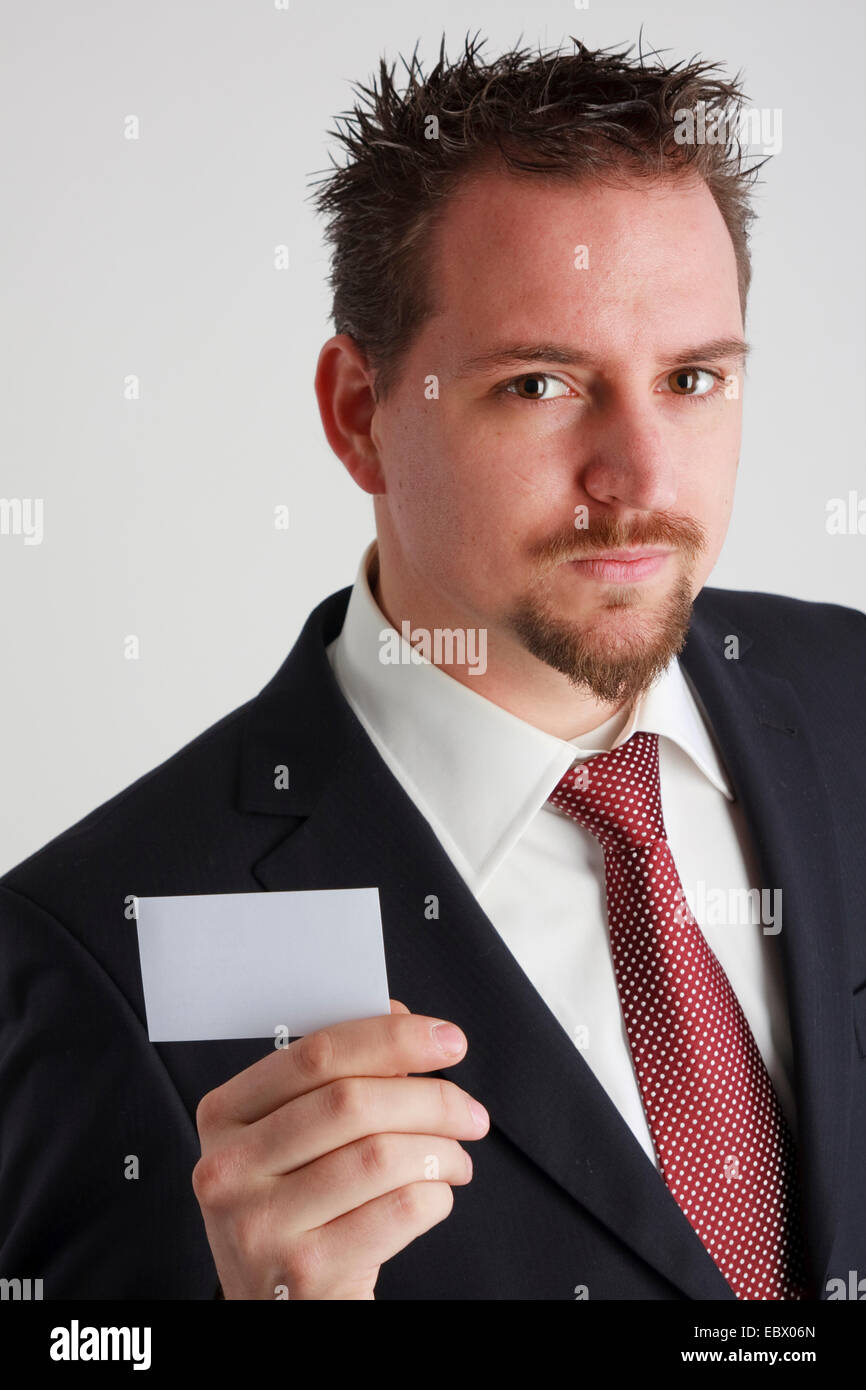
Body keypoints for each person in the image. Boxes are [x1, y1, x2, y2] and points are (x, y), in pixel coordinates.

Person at [1, 33, 864, 1302]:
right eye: (539, 383)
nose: (636, 477)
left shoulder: (850, 696)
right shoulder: (91, 952)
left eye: (690, 379)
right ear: (360, 412)